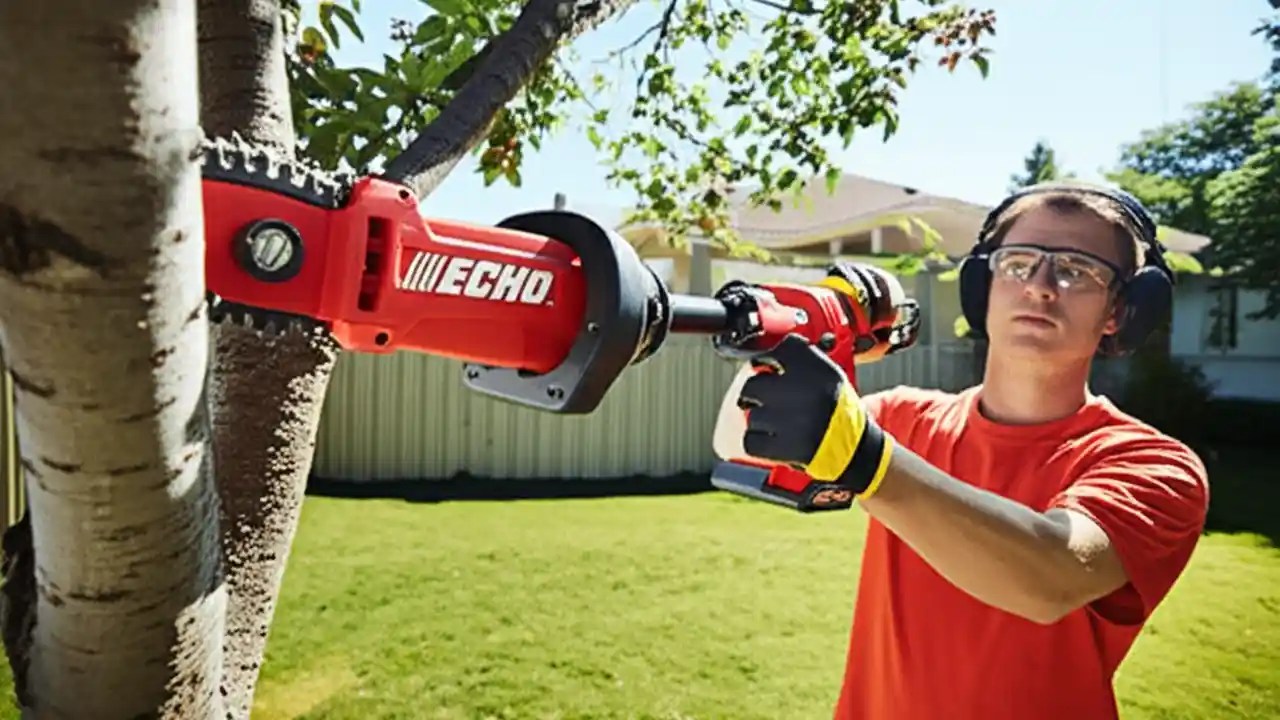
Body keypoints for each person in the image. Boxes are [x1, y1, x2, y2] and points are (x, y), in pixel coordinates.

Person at [734, 182, 1210, 720]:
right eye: (1018, 263)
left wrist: (868, 463)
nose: (1040, 286)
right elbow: (742, 439)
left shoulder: (1154, 465)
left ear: (1120, 312)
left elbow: (1051, 576)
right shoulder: (902, 419)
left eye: (1077, 270)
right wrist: (809, 339)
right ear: (984, 287)